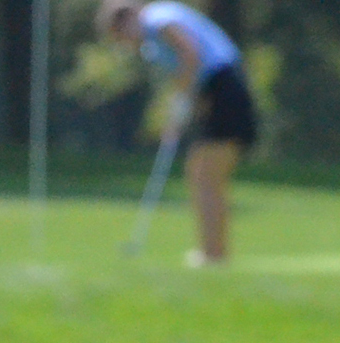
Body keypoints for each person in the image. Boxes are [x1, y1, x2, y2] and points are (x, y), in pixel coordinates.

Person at [99, 0, 257, 264]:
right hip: (216, 91)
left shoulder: (158, 20)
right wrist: (181, 111)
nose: (126, 44)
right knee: (202, 172)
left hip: (225, 89)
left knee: (206, 173)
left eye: (122, 36)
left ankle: (214, 254)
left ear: (127, 20)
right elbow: (185, 70)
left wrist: (180, 103)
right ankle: (214, 251)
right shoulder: (153, 34)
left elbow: (190, 56)